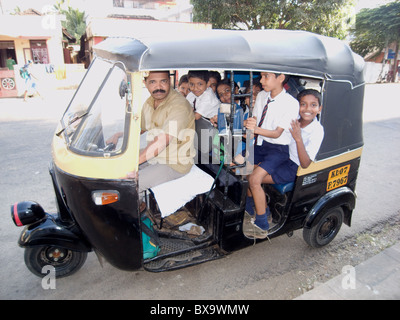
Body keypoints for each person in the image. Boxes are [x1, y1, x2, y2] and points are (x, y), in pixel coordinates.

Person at [111, 71, 195, 211]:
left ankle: (135, 213)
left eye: (163, 81)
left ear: (170, 82)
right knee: (117, 164)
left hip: (174, 161)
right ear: (145, 83)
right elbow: (141, 128)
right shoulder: (150, 102)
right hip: (156, 154)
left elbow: (163, 140)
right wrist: (118, 135)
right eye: (153, 82)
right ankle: (139, 203)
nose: (159, 87)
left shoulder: (179, 105)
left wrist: (133, 163)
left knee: (130, 185)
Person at [243, 72, 299, 239]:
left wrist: (254, 130)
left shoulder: (291, 103)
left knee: (254, 179)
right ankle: (251, 207)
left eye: (266, 76)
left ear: (281, 77)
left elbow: (276, 133)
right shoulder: (261, 95)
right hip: (260, 144)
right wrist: (249, 124)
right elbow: (255, 119)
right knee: (238, 168)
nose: (261, 81)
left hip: (278, 149)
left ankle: (262, 223)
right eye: (261, 76)